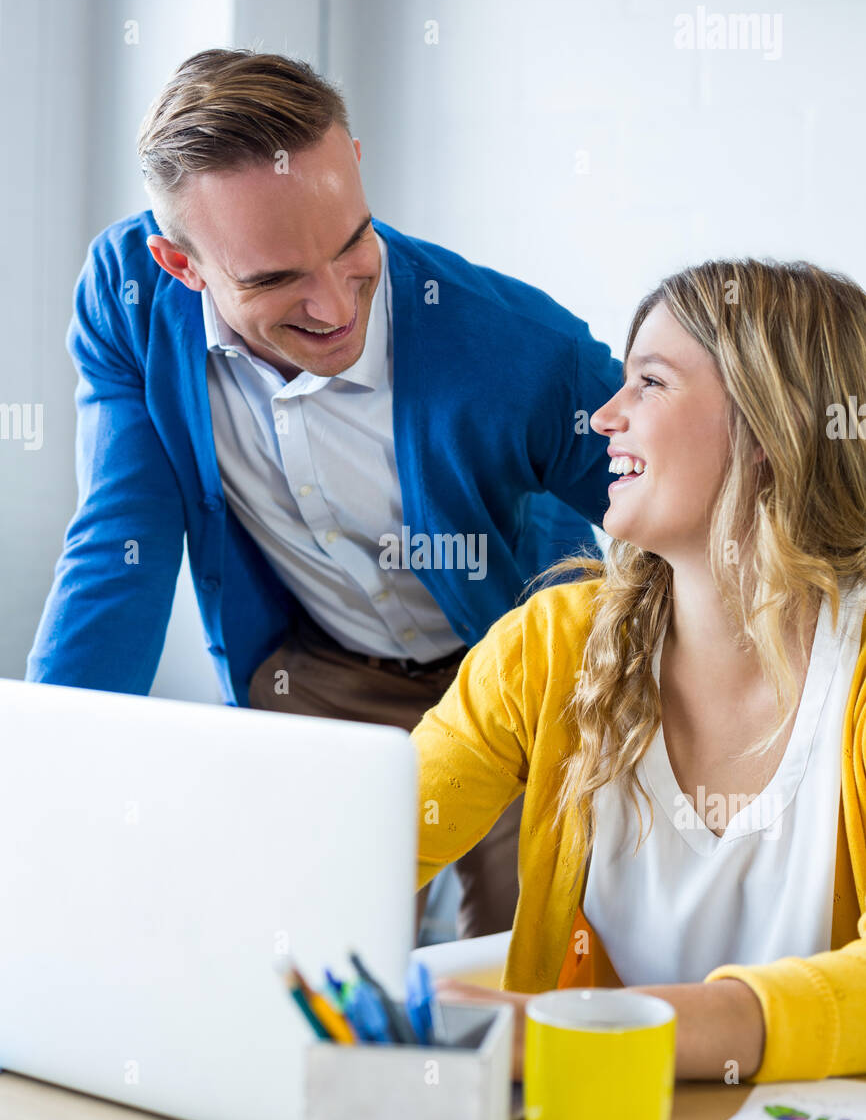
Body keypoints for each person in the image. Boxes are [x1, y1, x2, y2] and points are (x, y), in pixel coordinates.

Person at [24, 48, 621, 940]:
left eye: (352, 246)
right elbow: (119, 542)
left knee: (516, 973)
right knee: (298, 961)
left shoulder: (520, 348)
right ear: (180, 265)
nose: (335, 305)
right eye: (273, 280)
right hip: (319, 677)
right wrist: (46, 777)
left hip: (512, 686)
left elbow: (690, 514)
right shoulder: (128, 294)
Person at [411, 257, 866, 1082]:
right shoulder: (547, 650)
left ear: (771, 427)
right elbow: (375, 838)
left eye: (650, 384)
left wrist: (612, 1033)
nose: (605, 416)